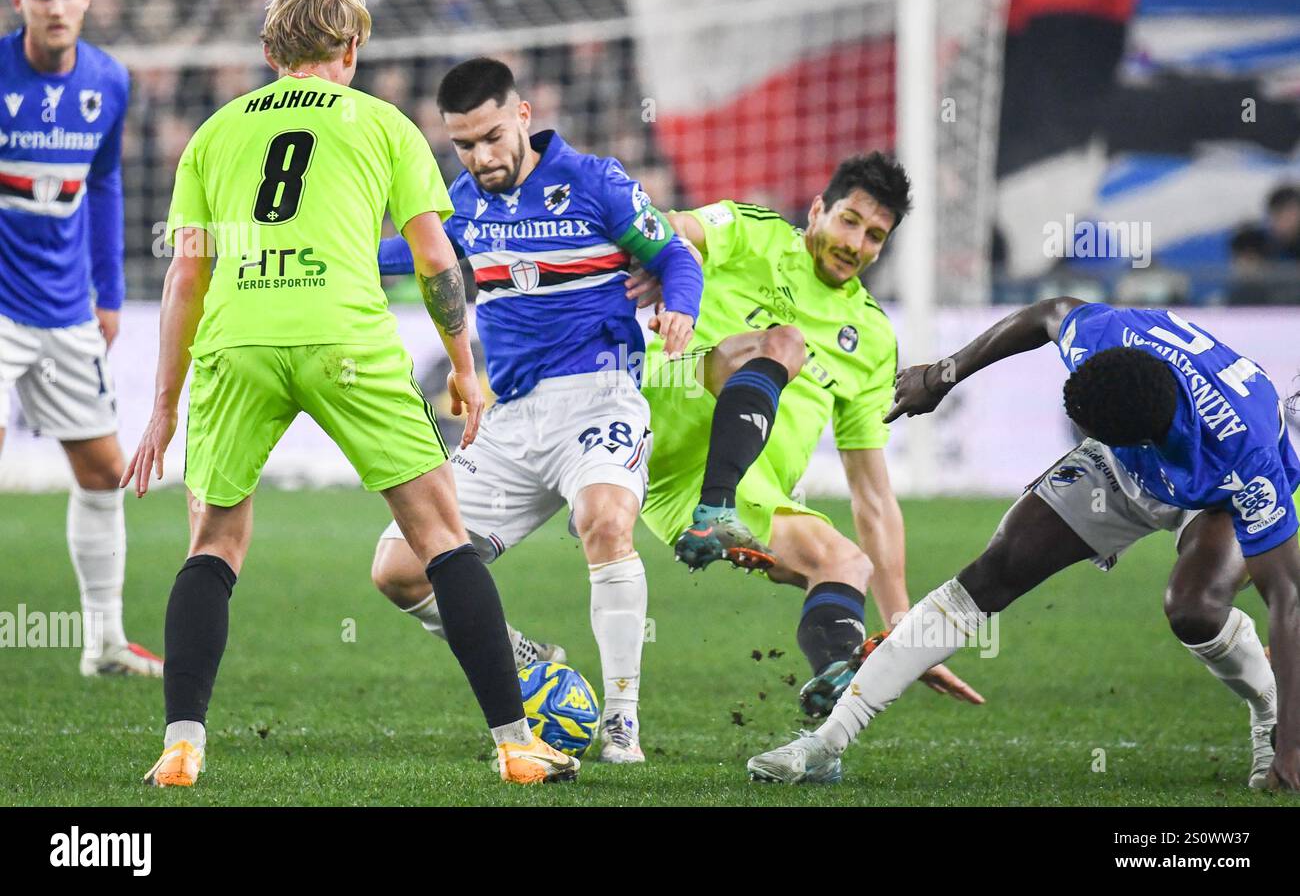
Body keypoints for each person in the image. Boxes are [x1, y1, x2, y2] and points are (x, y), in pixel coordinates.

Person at [124, 0, 575, 787]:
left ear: (268, 54)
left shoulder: (214, 133)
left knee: (214, 547)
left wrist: (162, 407)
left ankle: (182, 743)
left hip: (239, 340)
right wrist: (464, 368)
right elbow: (438, 259)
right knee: (441, 538)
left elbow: (186, 276)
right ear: (354, 51)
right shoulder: (383, 123)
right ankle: (516, 743)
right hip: (346, 338)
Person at [377, 153, 982, 721]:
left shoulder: (873, 339)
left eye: (874, 236)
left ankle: (832, 709)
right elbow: (672, 225)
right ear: (818, 209)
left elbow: (873, 494)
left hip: (730, 493)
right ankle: (680, 506)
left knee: (846, 563)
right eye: (849, 221)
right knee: (784, 342)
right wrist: (658, 258)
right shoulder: (755, 230)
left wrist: (901, 617)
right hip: (648, 400)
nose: (855, 244)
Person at [749, 299, 1300, 789]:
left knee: (1194, 608)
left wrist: (1296, 749)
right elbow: (1045, 314)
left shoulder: (1246, 458)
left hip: (1212, 495)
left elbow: (1287, 597)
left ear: (1136, 438)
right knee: (996, 568)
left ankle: (1268, 712)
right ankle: (828, 742)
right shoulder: (1106, 339)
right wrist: (943, 374)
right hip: (1123, 462)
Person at [370, 57, 703, 764]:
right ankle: (530, 663)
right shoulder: (465, 200)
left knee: (606, 520)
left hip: (598, 400)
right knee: (398, 571)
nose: (481, 157)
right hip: (511, 421)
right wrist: (337, 253)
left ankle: (621, 724)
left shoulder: (596, 183)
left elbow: (675, 256)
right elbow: (414, 255)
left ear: (523, 116)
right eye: (463, 144)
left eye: (491, 136)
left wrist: (680, 308)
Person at [1, 0, 161, 676]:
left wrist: (106, 292)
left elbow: (103, 184)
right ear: (18, 2)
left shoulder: (109, 80)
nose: (56, 8)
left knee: (103, 471)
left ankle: (101, 643)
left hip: (65, 307)